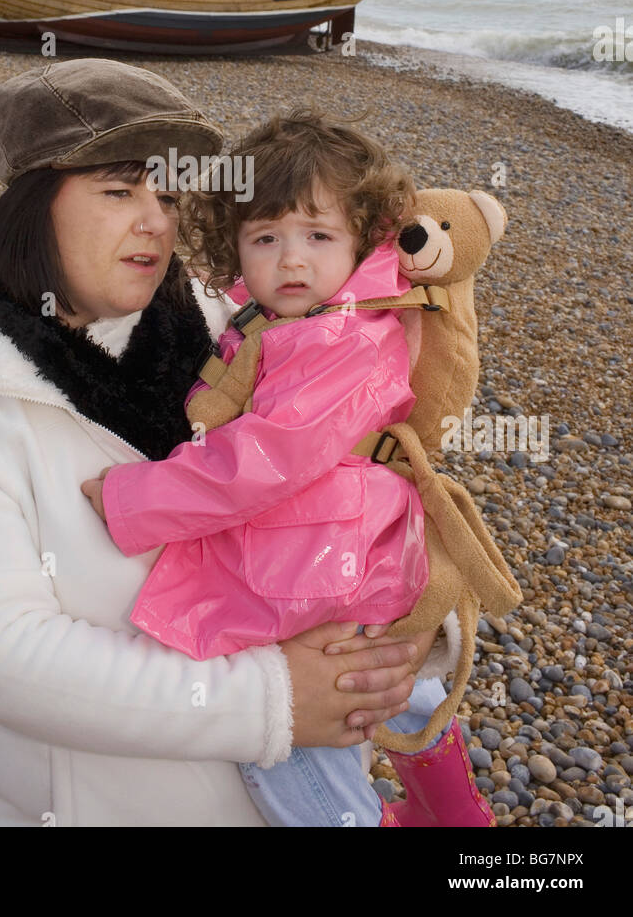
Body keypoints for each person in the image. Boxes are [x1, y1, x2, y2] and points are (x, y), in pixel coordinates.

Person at [0, 60, 448, 828]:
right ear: (30, 204)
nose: (157, 222)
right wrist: (272, 701)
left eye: (167, 195)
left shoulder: (238, 324)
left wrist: (407, 636)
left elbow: (377, 469)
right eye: (119, 191)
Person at [83, 109, 486, 827]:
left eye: (318, 237)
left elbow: (261, 461)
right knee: (397, 688)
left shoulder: (344, 340)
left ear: (365, 240)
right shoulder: (294, 319)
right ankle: (447, 814)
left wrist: (132, 497)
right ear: (236, 246)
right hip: (351, 563)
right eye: (266, 238)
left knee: (302, 734)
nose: (291, 260)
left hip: (318, 574)